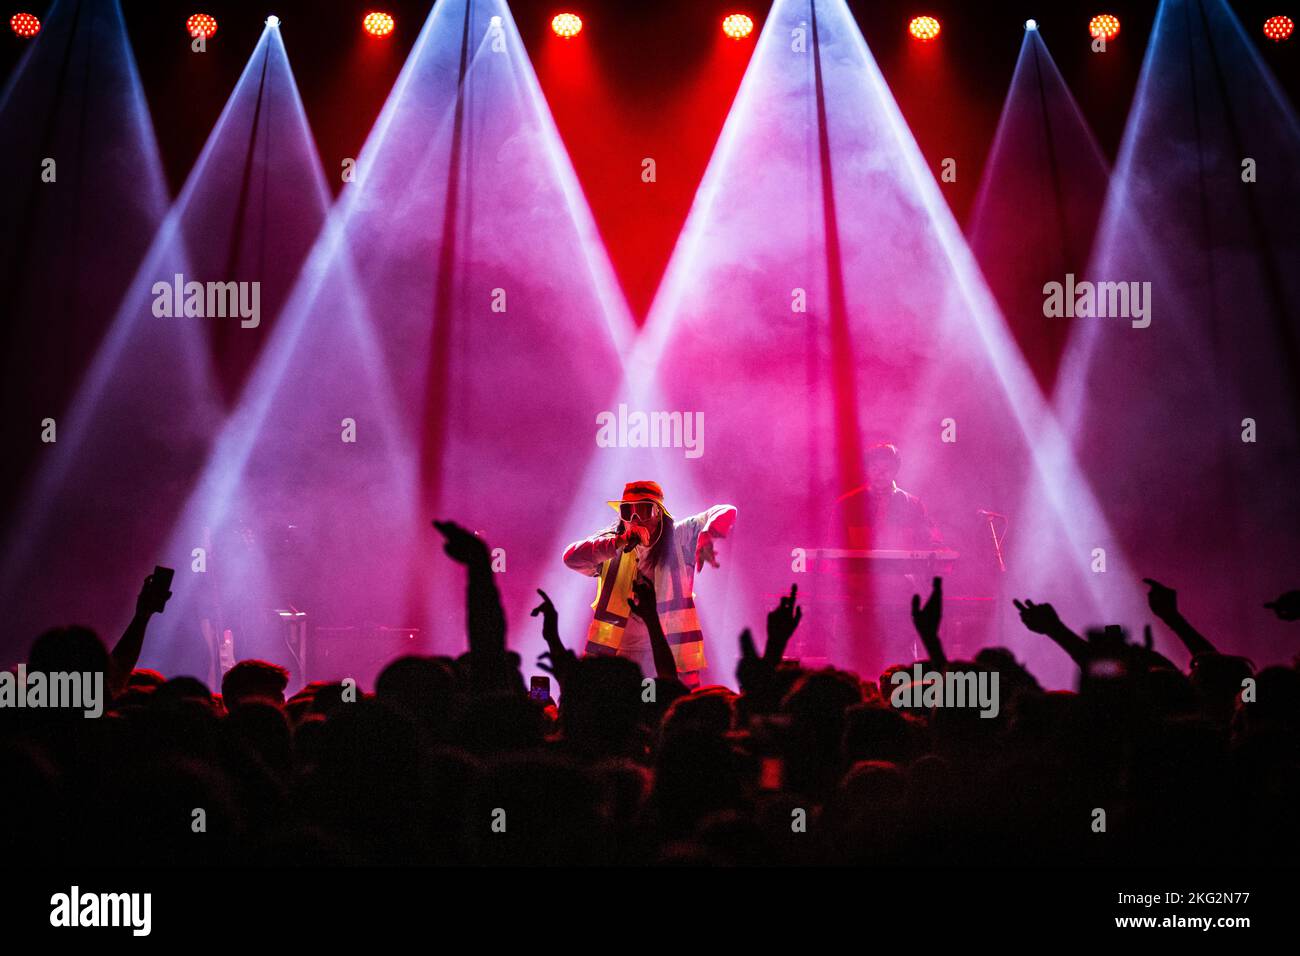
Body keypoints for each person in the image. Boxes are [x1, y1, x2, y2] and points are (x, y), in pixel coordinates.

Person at [562, 481, 736, 688]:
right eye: (628, 511)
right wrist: (618, 542)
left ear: (659, 514)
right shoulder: (611, 547)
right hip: (617, 659)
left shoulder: (679, 538)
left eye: (644, 510)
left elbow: (727, 511)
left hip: (669, 658)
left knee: (663, 705)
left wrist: (707, 534)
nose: (635, 519)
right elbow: (571, 558)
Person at [836, 442, 941, 549]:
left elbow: (932, 542)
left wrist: (937, 548)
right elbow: (833, 546)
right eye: (875, 469)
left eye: (887, 469)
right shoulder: (847, 504)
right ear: (867, 470)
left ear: (896, 471)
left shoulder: (913, 505)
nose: (880, 474)